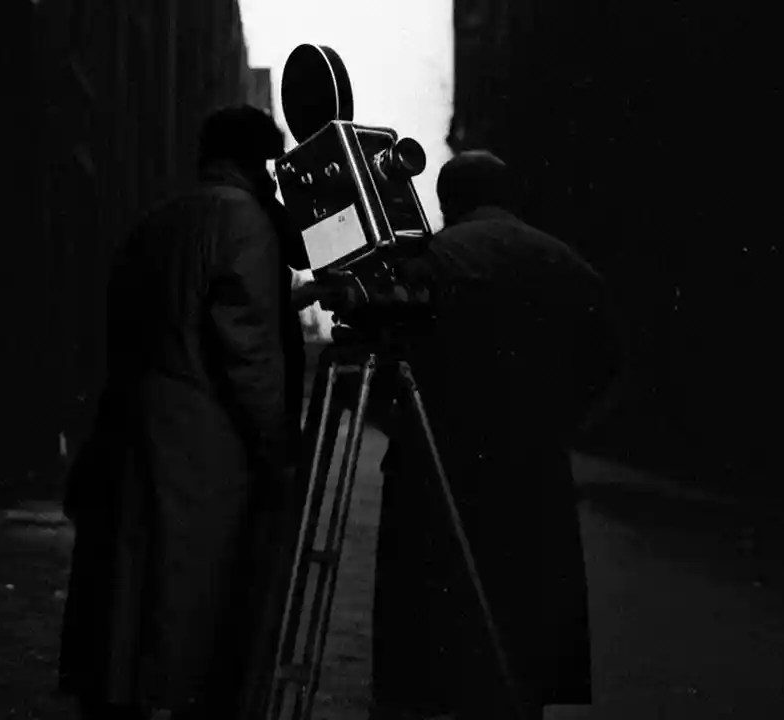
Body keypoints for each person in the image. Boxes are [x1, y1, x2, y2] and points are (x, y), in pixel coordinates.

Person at [332, 150, 622, 719]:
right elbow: (607, 362)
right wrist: (560, 422)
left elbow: (381, 357)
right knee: (523, 641)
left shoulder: (431, 260)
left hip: (439, 466)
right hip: (535, 469)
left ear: (446, 202)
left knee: (430, 641)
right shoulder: (566, 261)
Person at [57, 105, 317, 720]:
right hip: (203, 446)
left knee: (126, 604)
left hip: (132, 428)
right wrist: (277, 450)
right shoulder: (245, 222)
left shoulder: (158, 220)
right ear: (258, 160)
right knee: (193, 610)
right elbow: (246, 347)